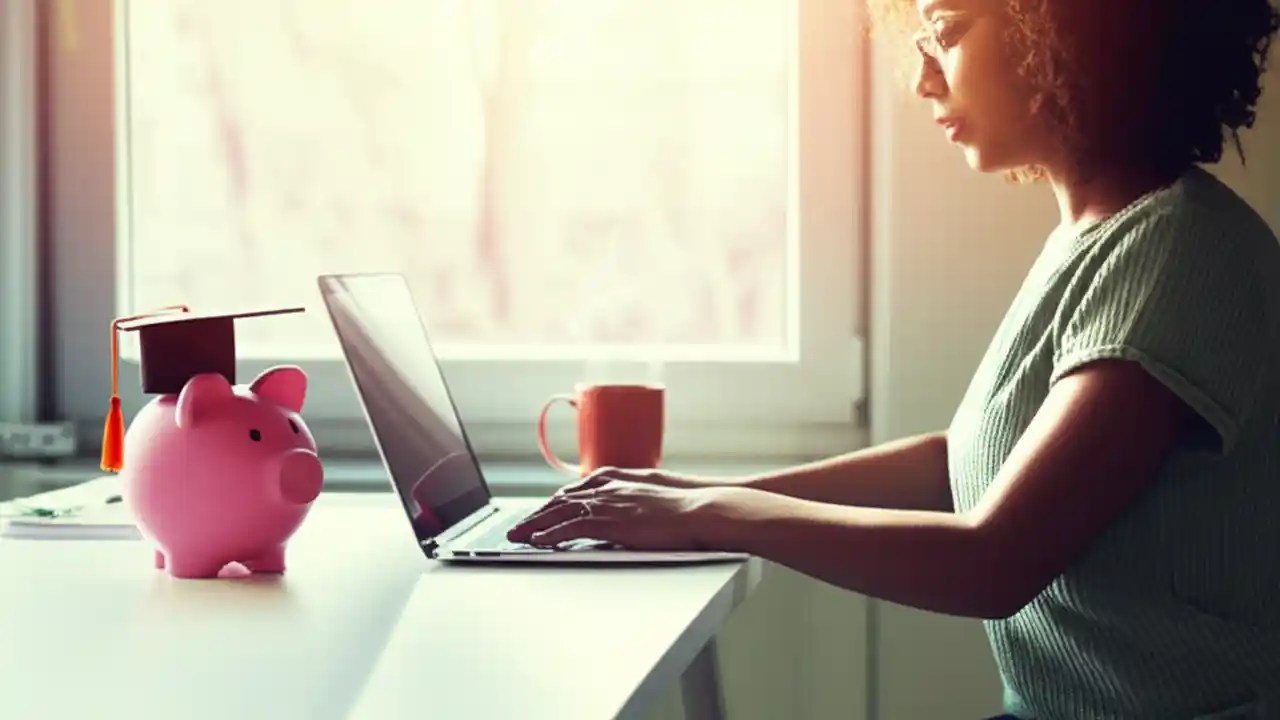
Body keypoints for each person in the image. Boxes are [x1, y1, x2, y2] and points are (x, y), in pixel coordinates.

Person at [509, 0, 1280, 717]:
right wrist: (700, 495)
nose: (922, 79)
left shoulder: (1178, 251)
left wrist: (713, 514)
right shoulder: (1102, 238)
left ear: (1065, 32)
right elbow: (957, 464)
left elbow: (996, 560)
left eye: (946, 31)